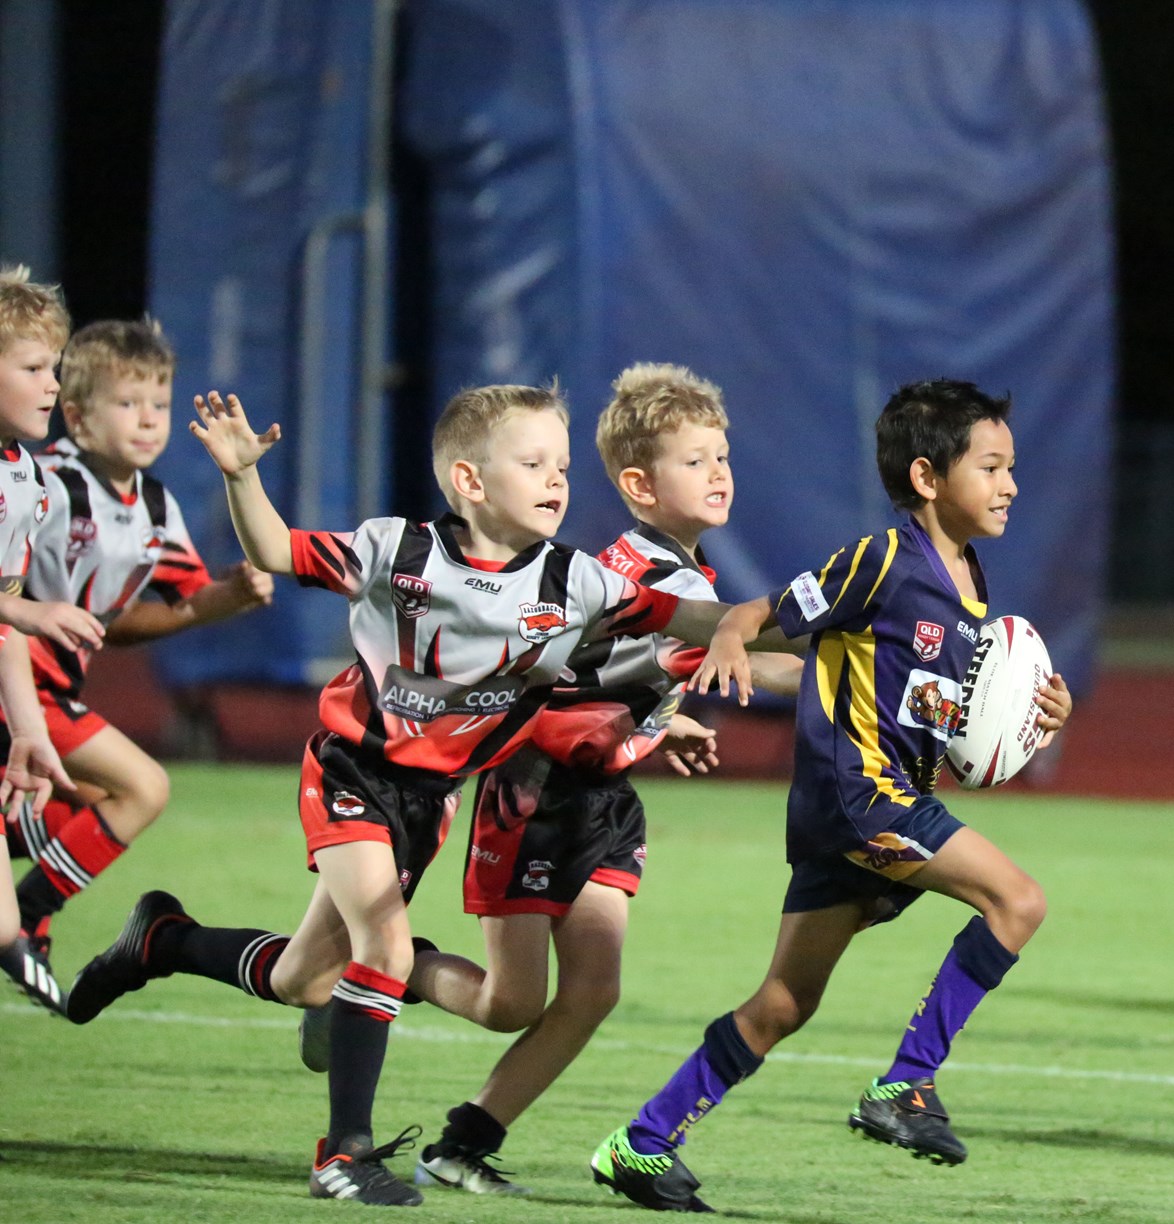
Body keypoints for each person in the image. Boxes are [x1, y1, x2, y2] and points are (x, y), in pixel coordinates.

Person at [66, 382, 780, 1207]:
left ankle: (164, 939)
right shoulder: (398, 551)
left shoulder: (575, 582)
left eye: (560, 465)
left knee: (306, 978)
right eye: (534, 463)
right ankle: (345, 1155)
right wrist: (240, 478)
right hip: (352, 771)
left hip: (431, 797)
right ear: (472, 482)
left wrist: (832, 614)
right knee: (385, 947)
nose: (557, 479)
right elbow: (275, 551)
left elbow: (697, 623)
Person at [590, 378, 1073, 1212]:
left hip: (871, 805)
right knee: (1017, 902)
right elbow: (762, 613)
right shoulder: (882, 560)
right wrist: (734, 639)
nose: (1010, 485)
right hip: (865, 800)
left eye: (1011, 468)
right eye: (992, 467)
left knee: (783, 1003)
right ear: (928, 477)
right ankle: (903, 1089)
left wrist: (1034, 721)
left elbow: (948, 730)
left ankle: (641, 1143)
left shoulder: (971, 586)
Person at [380, 363, 802, 1197]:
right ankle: (395, 963)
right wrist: (866, 672)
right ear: (641, 486)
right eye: (696, 461)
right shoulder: (657, 578)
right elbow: (753, 663)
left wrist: (655, 718)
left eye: (723, 457)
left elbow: (612, 670)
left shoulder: (661, 565)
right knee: (511, 1003)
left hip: (602, 802)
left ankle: (463, 1143)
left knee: (593, 990)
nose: (718, 473)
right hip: (533, 796)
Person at [0, 318, 273, 1006]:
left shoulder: (155, 507)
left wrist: (227, 599)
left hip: (50, 691)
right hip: (19, 679)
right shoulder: (45, 482)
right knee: (139, 788)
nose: (148, 420)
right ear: (78, 417)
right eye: (128, 404)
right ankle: (28, 914)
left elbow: (127, 624)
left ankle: (24, 908)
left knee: (89, 808)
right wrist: (28, 615)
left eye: (158, 403)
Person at [0, 266, 104, 1011]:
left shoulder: (30, 482)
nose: (50, 386)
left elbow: (3, 620)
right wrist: (31, 614)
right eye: (32, 367)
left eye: (54, 369)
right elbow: (16, 615)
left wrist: (27, 730)